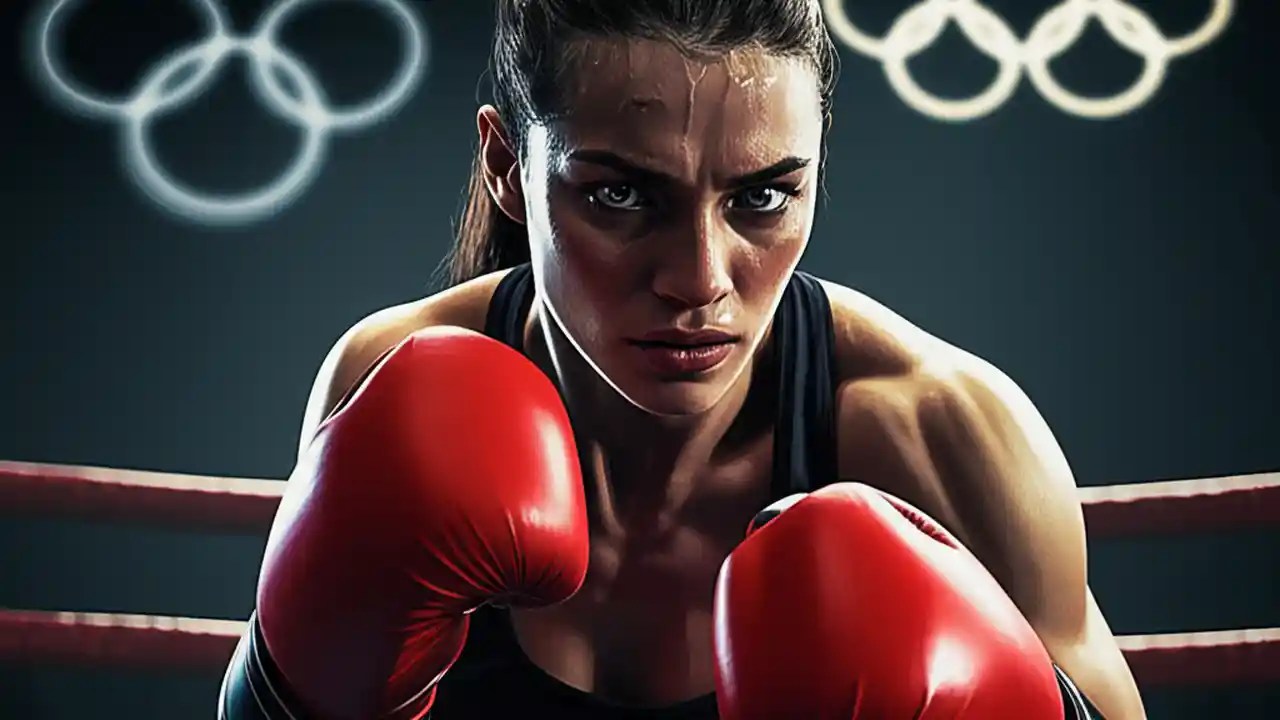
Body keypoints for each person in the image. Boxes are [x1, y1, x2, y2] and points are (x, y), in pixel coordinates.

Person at [218, 1, 1148, 718]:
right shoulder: (386, 376)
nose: (699, 280)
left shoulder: (941, 436)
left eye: (763, 198)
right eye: (622, 195)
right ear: (507, 165)